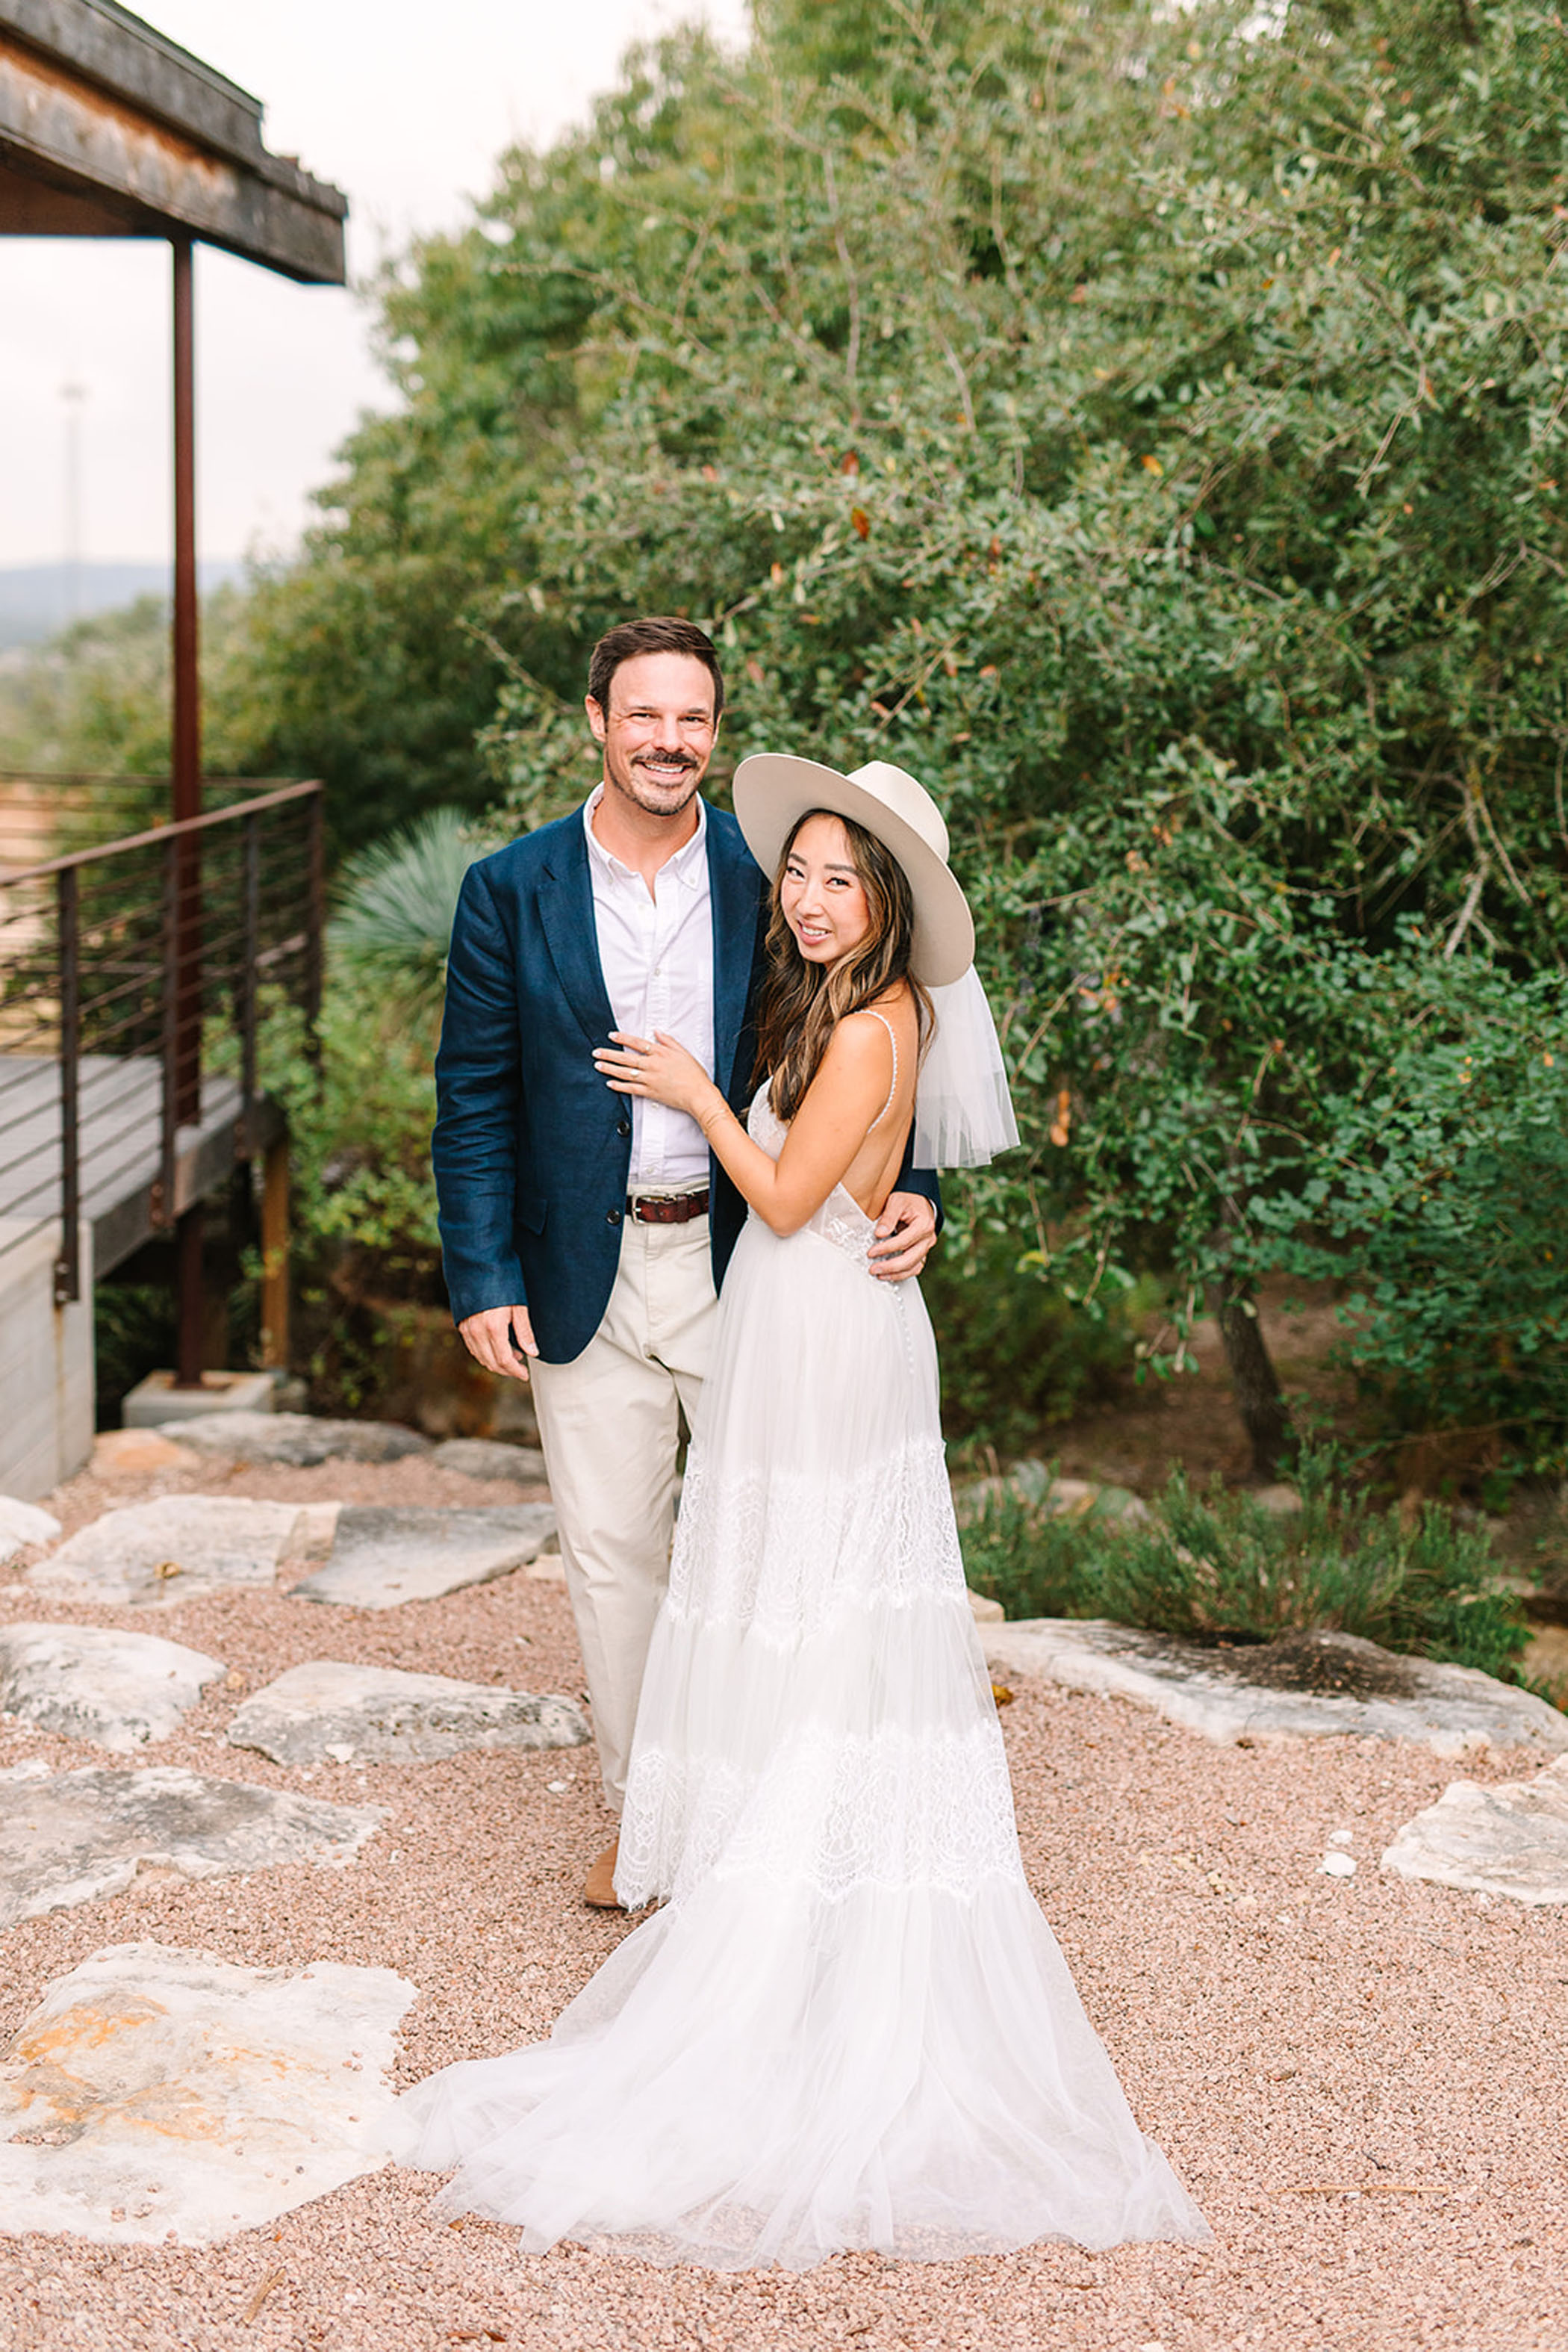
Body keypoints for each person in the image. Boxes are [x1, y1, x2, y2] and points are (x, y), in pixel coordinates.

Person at [396, 753, 1210, 2267]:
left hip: (815, 1316)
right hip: (782, 1306)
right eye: (807, 870)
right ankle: (730, 1825)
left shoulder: (870, 1021)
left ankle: (798, 1867)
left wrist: (699, 1090)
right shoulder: (814, 991)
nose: (813, 895)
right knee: (767, 1576)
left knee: (820, 1583)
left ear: (891, 902)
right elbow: (835, 1165)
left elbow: (792, 1192)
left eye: (847, 878)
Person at [432, 618, 939, 1907]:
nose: (670, 741)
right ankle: (648, 1821)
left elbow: (860, 1030)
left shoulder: (768, 876)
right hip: (577, 1276)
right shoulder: (510, 888)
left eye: (694, 719)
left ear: (716, 729)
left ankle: (790, 1827)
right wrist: (483, 1271)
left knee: (785, 1548)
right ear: (596, 718)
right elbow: (474, 1096)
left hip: (746, 1264)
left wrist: (913, 1186)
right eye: (645, 716)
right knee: (616, 1560)